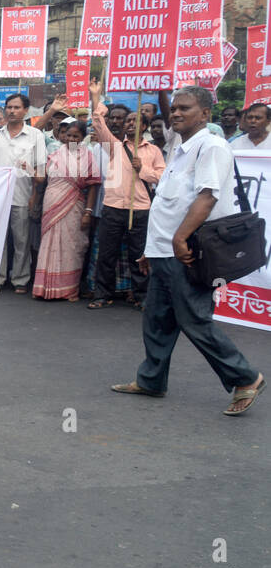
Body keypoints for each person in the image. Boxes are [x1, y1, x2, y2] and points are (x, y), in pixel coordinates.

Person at [110, 86, 264, 416]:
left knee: (193, 319)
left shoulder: (213, 147)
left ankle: (245, 377)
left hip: (188, 251)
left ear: (206, 114)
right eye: (174, 108)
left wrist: (180, 240)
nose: (176, 113)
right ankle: (151, 380)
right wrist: (153, 249)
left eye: (185, 108)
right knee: (156, 319)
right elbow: (169, 204)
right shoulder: (180, 148)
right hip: (166, 250)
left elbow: (206, 198)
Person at [86, 80, 164, 309]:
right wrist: (95, 97)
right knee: (106, 255)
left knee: (138, 255)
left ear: (145, 125)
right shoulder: (115, 147)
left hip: (139, 209)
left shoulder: (154, 151)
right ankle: (102, 294)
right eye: (128, 121)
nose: (130, 124)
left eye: (134, 120)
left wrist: (144, 170)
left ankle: (141, 296)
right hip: (113, 207)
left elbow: (162, 177)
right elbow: (99, 123)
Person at [0, 93, 47, 294]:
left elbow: (41, 174)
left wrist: (33, 185)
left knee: (21, 240)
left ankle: (20, 279)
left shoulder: (36, 135)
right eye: (9, 107)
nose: (12, 111)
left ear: (26, 111)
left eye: (17, 108)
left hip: (22, 195)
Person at [32, 120, 101, 301]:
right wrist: (27, 169)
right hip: (51, 203)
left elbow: (93, 186)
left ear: (82, 138)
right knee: (49, 244)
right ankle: (44, 287)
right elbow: (41, 179)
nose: (70, 139)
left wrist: (88, 211)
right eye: (68, 135)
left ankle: (69, 289)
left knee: (73, 246)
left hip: (74, 205)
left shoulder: (88, 156)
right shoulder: (54, 155)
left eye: (75, 136)